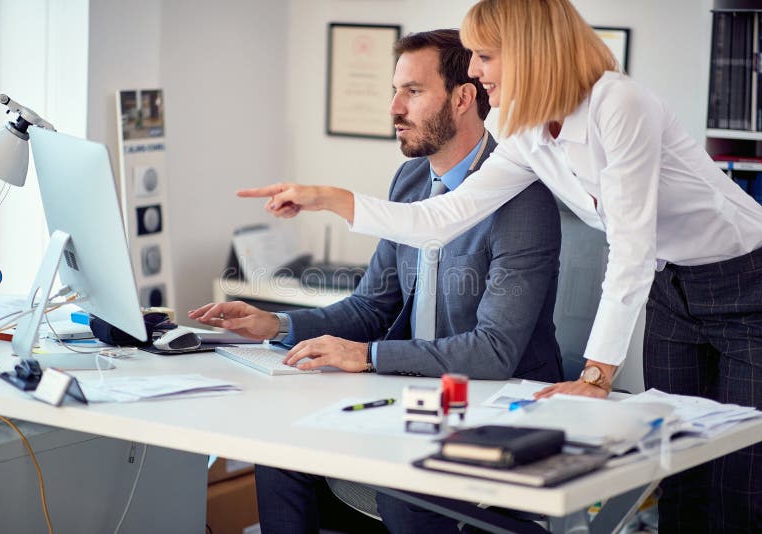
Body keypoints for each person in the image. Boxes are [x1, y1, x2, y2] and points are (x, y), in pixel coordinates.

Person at [239, 1, 762, 532]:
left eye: (485, 55)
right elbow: (441, 218)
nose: (474, 70)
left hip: (746, 282)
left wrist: (595, 376)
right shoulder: (528, 134)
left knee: (735, 484)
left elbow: (630, 247)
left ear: (531, 52)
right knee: (678, 475)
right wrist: (330, 198)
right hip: (669, 283)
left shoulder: (619, 102)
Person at [192, 28, 563, 533]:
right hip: (414, 398)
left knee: (404, 487)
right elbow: (371, 307)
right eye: (395, 91)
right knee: (279, 451)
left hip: (495, 407)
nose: (394, 108)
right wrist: (275, 325)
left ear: (462, 97)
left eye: (412, 91)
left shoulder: (522, 198)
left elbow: (494, 351)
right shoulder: (410, 182)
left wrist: (366, 356)